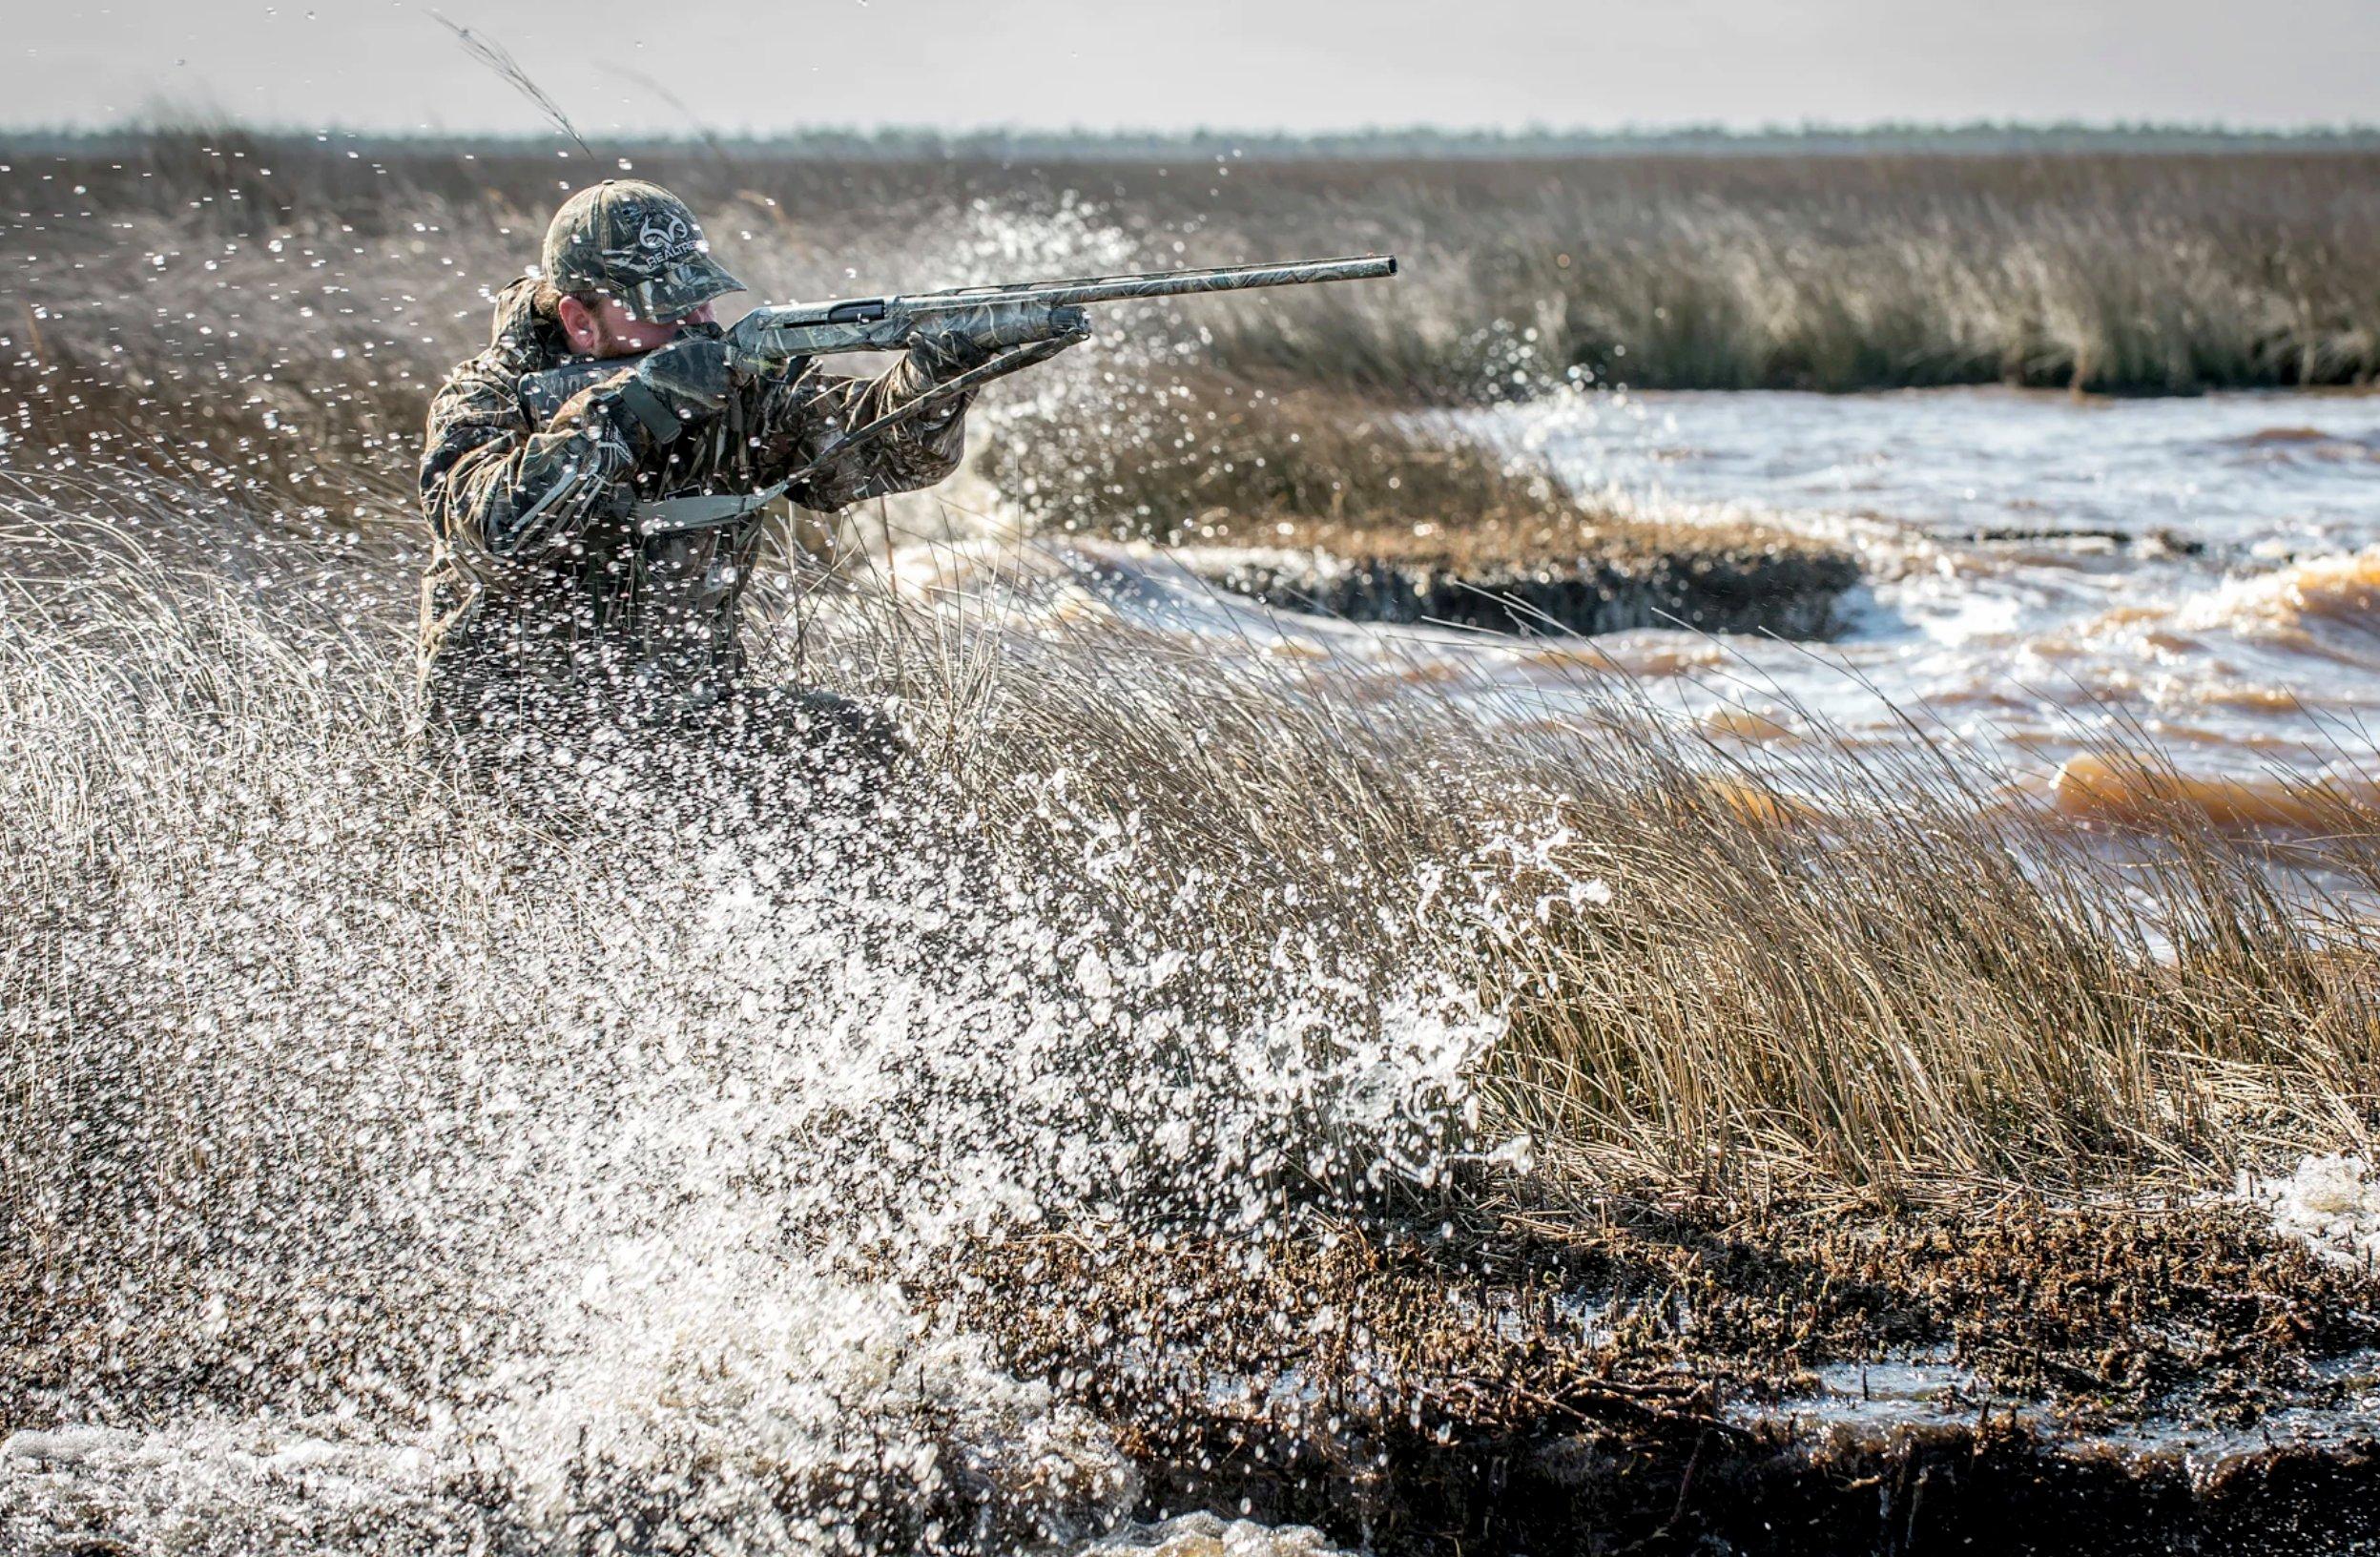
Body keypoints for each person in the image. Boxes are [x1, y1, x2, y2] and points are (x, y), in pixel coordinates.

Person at [414, 179, 1057, 822]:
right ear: (580, 321)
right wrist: (634, 411)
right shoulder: (488, 398)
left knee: (857, 750)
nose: (695, 325)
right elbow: (494, 527)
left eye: (699, 302)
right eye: (664, 309)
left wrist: (940, 374)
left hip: (684, 722)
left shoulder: (730, 385)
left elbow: (876, 456)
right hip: (512, 743)